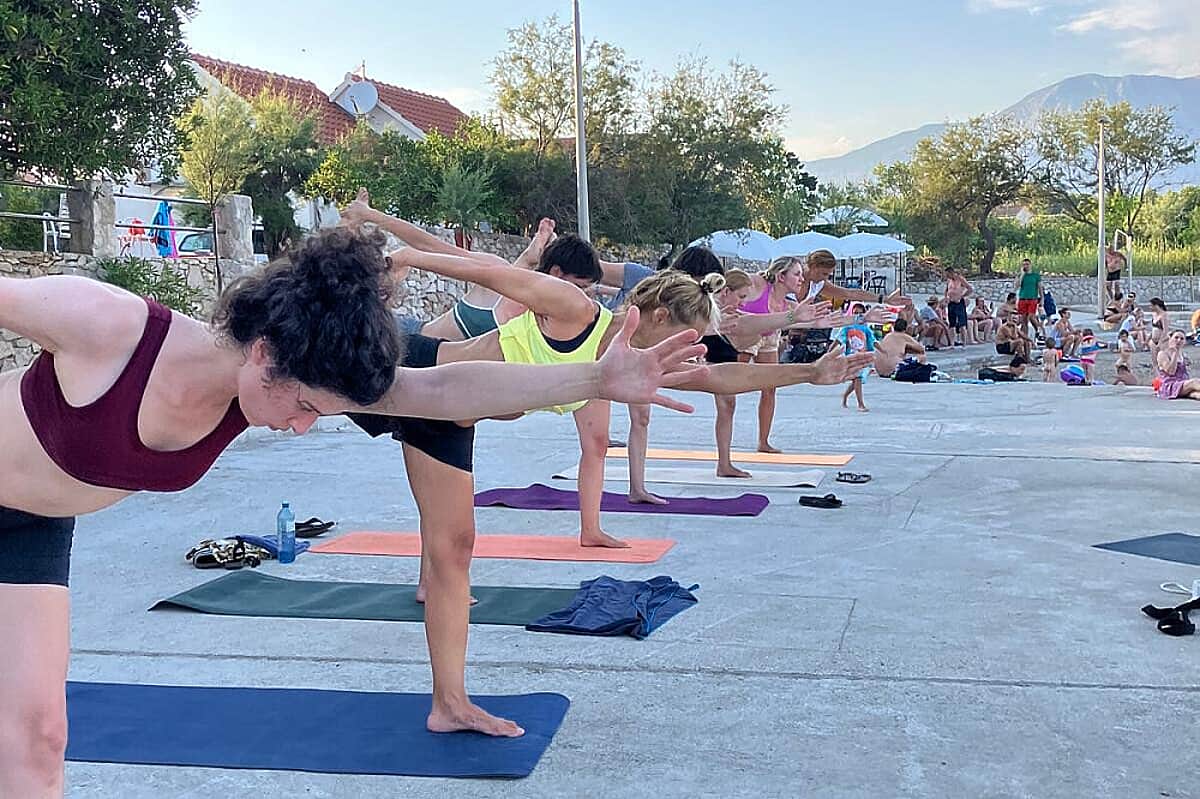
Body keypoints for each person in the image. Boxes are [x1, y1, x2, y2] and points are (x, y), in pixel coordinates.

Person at [0, 228, 716, 793]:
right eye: (306, 405)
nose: (305, 425)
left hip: (30, 529)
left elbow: (444, 390)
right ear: (262, 352)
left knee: (39, 738)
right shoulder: (112, 327)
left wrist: (596, 374)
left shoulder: (301, 369)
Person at [836, 303, 875, 411]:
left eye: (860, 313)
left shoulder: (866, 328)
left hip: (863, 357)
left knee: (856, 381)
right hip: (852, 357)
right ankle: (860, 404)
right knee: (857, 378)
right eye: (855, 313)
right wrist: (829, 352)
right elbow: (838, 340)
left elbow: (872, 342)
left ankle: (845, 396)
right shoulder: (847, 327)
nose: (858, 315)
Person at [1156, 330, 1200, 400]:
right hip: (1170, 385)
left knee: (1195, 394)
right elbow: (1171, 372)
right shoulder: (1163, 354)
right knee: (1195, 382)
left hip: (1182, 383)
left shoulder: (1182, 355)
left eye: (1182, 339)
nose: (1179, 340)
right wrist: (1174, 354)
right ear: (1170, 339)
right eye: (1176, 338)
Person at [1014, 259, 1044, 340]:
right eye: (1024, 264)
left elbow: (1040, 288)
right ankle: (1025, 338)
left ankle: (1038, 329)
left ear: (1030, 265)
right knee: (1023, 320)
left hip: (1032, 299)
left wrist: (1042, 299)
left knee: (1031, 316)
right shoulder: (1021, 275)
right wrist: (1022, 275)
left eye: (1027, 264)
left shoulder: (1035, 276)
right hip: (1022, 299)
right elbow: (1016, 286)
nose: (1025, 266)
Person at [944, 266, 973, 346]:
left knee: (962, 323)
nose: (947, 276)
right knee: (951, 323)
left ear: (951, 273)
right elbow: (946, 290)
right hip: (951, 302)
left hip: (959, 302)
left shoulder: (960, 279)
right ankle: (952, 344)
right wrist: (946, 297)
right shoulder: (949, 281)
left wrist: (962, 296)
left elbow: (970, 289)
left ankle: (964, 343)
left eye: (948, 274)